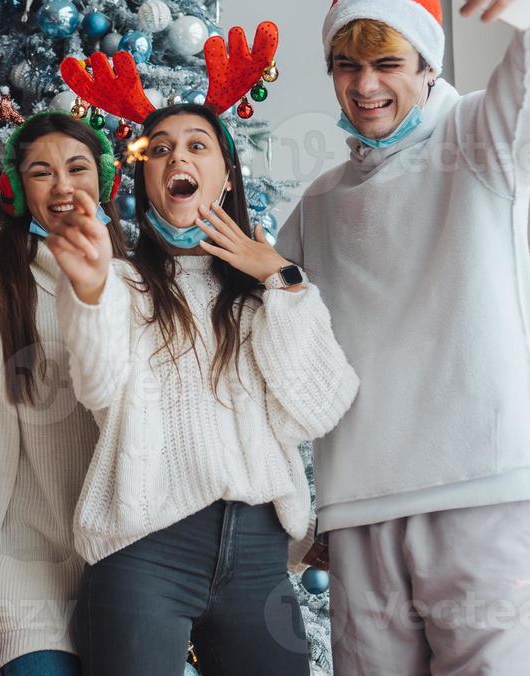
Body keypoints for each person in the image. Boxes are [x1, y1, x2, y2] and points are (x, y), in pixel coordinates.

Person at [277, 0, 530, 674]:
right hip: (358, 512)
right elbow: (259, 334)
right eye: (347, 67)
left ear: (426, 67)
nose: (366, 84)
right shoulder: (317, 205)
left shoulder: (478, 139)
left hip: (484, 486)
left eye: (386, 62)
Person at [46, 47, 360, 675]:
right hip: (144, 551)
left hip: (259, 553)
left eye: (196, 145)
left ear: (225, 176)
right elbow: (99, 386)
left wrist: (284, 281)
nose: (176, 158)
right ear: (147, 182)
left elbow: (321, 406)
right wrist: (88, 294)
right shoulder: (122, 285)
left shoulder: (265, 299)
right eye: (158, 150)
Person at [0, 111, 128, 676]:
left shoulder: (136, 284)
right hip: (25, 566)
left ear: (105, 180)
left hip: (126, 568)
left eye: (78, 168)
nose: (64, 186)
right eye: (42, 173)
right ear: (19, 192)